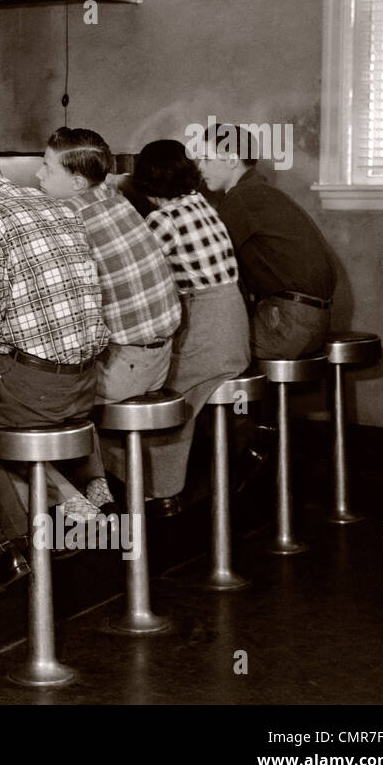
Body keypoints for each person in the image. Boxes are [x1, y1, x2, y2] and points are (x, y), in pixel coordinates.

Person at [0, 129, 109, 551]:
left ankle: (22, 541)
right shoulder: (58, 206)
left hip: (37, 387)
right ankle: (95, 488)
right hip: (86, 383)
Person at [34, 127, 182, 510]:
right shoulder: (113, 197)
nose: (38, 176)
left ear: (78, 181)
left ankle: (79, 504)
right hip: (159, 359)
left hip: (125, 366)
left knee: (34, 398)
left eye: (47, 168)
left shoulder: (68, 217)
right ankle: (97, 489)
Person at [110, 139, 251, 513]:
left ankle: (159, 492)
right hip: (234, 328)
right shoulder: (199, 203)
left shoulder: (162, 220)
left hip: (208, 332)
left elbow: (135, 272)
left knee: (162, 395)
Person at [196, 123, 336, 360]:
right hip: (311, 321)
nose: (200, 167)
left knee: (195, 350)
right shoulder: (259, 192)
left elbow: (209, 268)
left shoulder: (241, 199)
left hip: (287, 325)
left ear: (231, 160)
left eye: (207, 159)